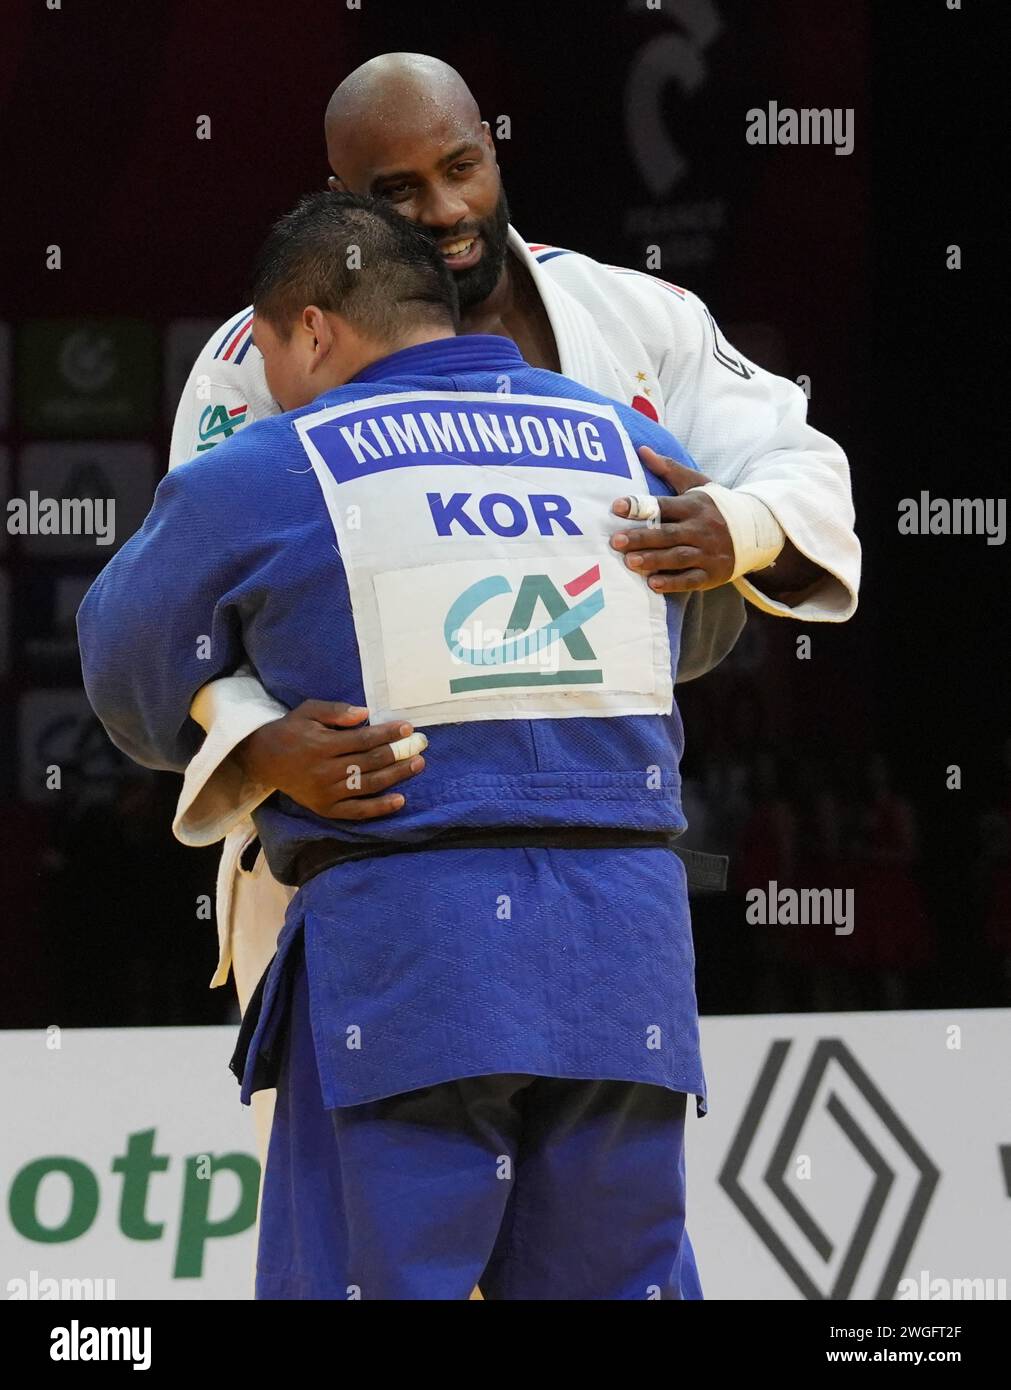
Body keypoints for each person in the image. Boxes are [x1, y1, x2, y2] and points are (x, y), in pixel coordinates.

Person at [167, 55, 860, 1190]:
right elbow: (180, 597)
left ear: (493, 150)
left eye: (460, 168)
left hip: (582, 849)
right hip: (355, 851)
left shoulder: (634, 317)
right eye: (397, 192)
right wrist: (257, 743)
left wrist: (740, 523)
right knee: (366, 1225)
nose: (444, 213)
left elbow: (803, 461)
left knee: (584, 1236)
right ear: (338, 199)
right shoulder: (266, 358)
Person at [78, 189, 778, 1298]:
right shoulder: (626, 439)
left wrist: (255, 741)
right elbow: (704, 619)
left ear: (311, 331)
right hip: (624, 967)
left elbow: (121, 655)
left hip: (412, 967)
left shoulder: (275, 465)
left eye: (266, 355)